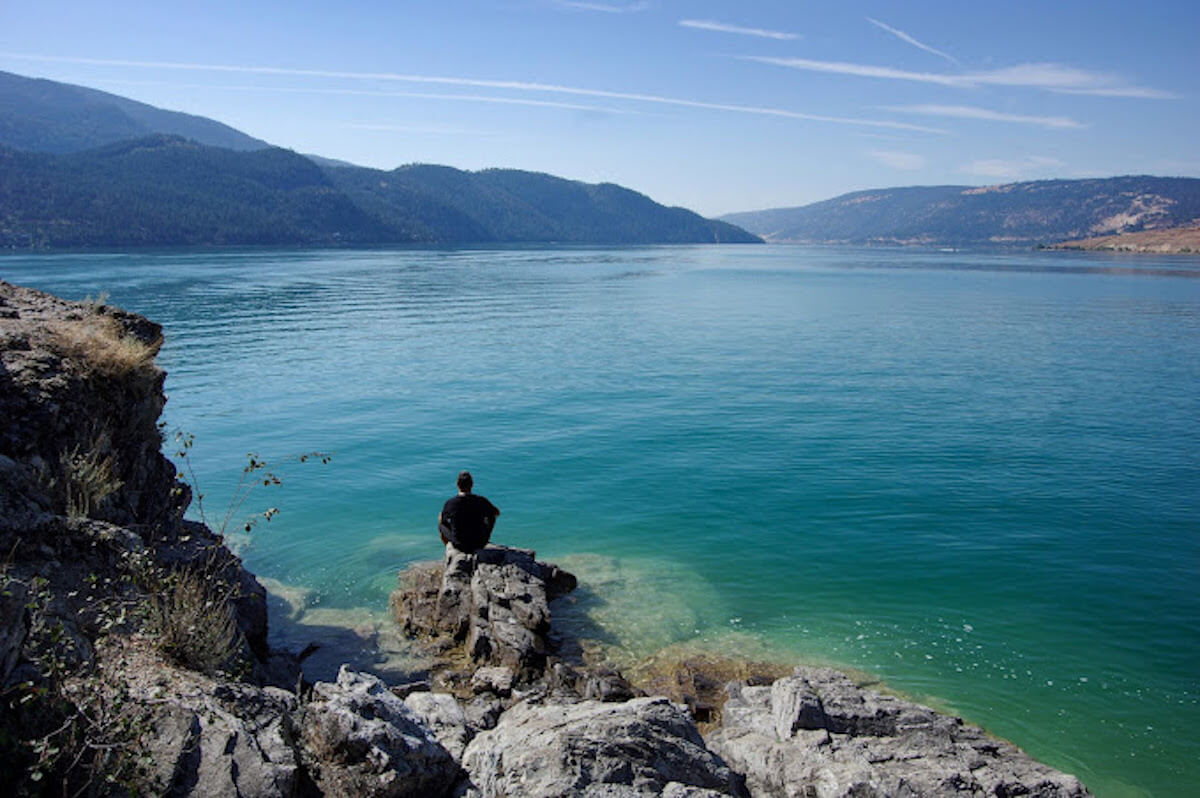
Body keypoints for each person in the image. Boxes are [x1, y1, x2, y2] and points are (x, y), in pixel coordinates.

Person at [438, 470, 500, 553]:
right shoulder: (481, 500)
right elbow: (497, 512)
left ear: (457, 485)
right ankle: (484, 536)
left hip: (460, 545)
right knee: (492, 515)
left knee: (441, 522)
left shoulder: (451, 503)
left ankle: (450, 549)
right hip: (480, 542)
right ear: (472, 485)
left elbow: (444, 520)